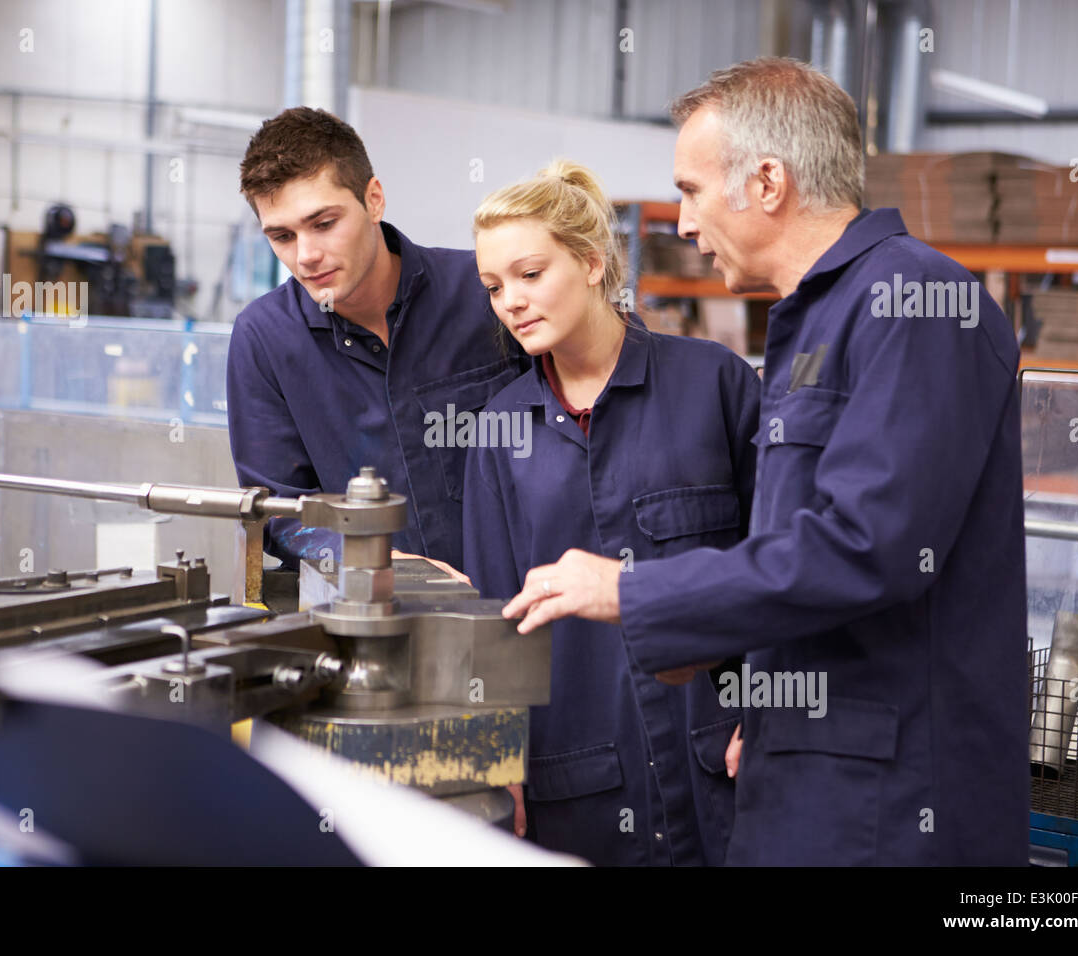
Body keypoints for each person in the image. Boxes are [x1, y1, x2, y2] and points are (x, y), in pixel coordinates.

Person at [502, 58, 1029, 866]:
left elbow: (866, 547)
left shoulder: (916, 302)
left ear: (768, 183)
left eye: (692, 191)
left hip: (889, 804)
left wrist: (633, 589)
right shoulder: (814, 320)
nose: (682, 223)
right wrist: (733, 671)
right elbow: (795, 558)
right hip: (805, 775)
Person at [463, 159, 760, 865]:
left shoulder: (712, 383)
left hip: (724, 761)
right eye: (494, 286)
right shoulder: (499, 432)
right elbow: (493, 617)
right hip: (580, 780)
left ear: (592, 262)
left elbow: (782, 561)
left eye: (530, 274)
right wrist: (496, 764)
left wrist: (769, 709)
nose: (511, 300)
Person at [227, 107, 524, 577]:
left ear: (374, 200)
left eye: (324, 223)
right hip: (369, 618)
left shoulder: (484, 293)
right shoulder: (263, 339)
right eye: (282, 236)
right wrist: (372, 561)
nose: (306, 256)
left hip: (518, 606)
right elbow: (277, 511)